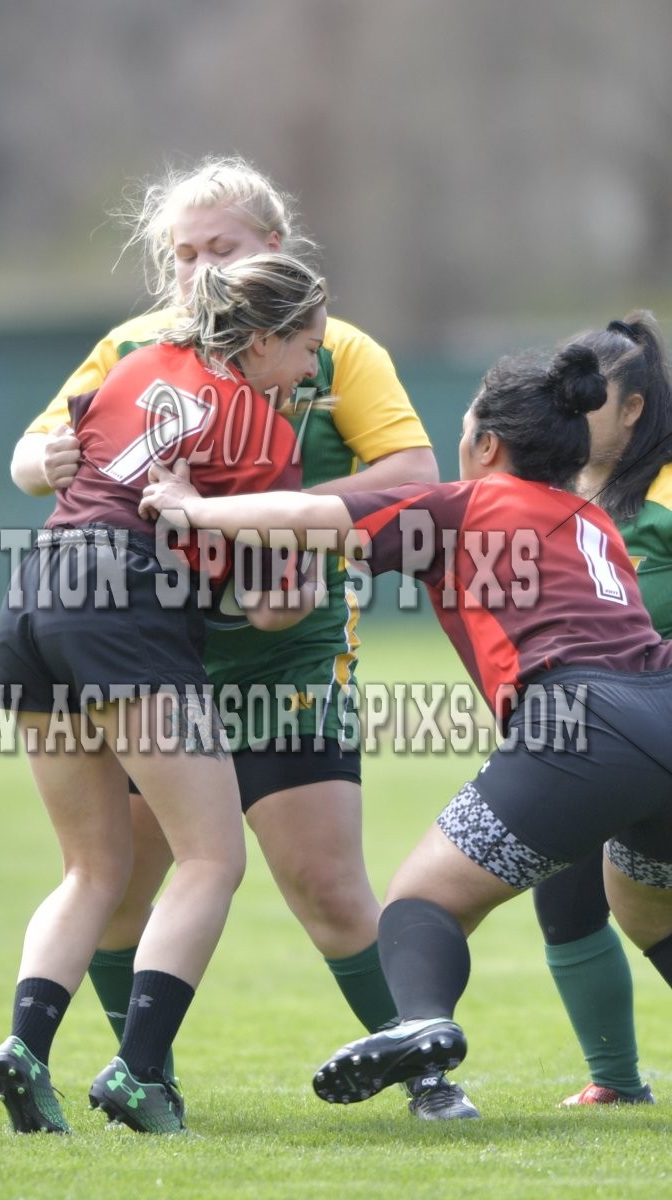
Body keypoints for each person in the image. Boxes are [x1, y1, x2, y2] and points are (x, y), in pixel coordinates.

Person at [11, 158, 478, 1121]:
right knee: (126, 881)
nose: (196, 267)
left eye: (218, 247)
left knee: (326, 884)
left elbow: (412, 473)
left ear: (273, 247)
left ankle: (423, 1075)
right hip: (150, 647)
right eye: (181, 252)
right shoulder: (134, 345)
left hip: (283, 650)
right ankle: (147, 1069)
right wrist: (43, 456)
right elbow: (33, 457)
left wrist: (283, 515)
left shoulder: (333, 345)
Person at [139, 336, 672, 1114]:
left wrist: (193, 509)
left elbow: (310, 516)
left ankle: (423, 1023)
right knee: (646, 903)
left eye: (463, 430)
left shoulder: (469, 503)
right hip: (660, 706)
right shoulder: (595, 524)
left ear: (487, 444)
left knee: (423, 900)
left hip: (582, 720)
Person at [0, 252, 328, 1136]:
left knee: (92, 868)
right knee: (212, 858)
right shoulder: (266, 433)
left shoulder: (134, 362)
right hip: (127, 602)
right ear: (259, 342)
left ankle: (24, 1048)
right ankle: (138, 1072)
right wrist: (304, 583)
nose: (312, 366)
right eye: (305, 346)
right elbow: (265, 604)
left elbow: (63, 465)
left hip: (36, 592)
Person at [532, 312, 672, 1105]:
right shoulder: (550, 490)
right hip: (585, 727)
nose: (570, 413)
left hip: (660, 719)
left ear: (634, 410)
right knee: (565, 893)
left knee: (652, 907)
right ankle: (615, 1082)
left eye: (591, 399)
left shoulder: (666, 492)